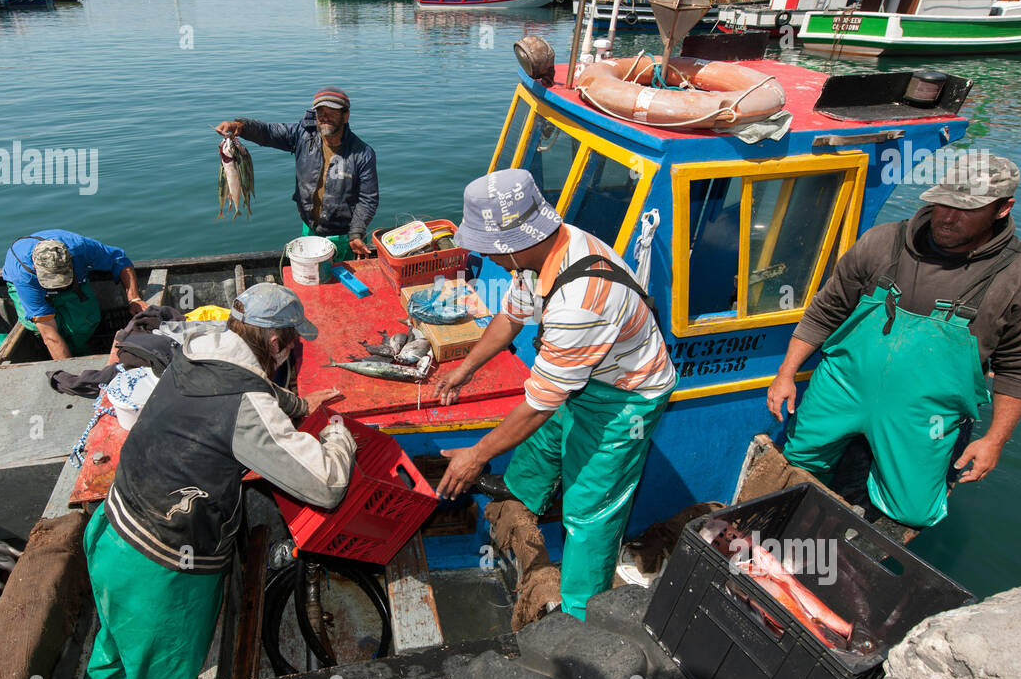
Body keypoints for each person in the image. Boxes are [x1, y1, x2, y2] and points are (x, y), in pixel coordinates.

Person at [77, 284, 352, 679]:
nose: (290, 353)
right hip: (162, 571)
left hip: (111, 533)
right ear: (278, 344)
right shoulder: (245, 401)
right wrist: (336, 431)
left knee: (112, 659)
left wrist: (298, 404)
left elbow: (243, 386)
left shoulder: (197, 347)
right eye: (292, 344)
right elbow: (327, 486)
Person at [433, 169, 677, 621]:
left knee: (590, 509)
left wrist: (475, 455)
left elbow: (540, 403)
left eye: (487, 244)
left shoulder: (579, 302)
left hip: (625, 397)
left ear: (511, 244)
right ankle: (524, 499)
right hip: (581, 376)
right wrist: (464, 369)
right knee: (539, 447)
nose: (483, 253)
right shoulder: (540, 254)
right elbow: (512, 316)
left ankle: (582, 615)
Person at [767, 154, 1021, 528]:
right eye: (942, 204)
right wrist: (786, 372)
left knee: (912, 512)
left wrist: (994, 440)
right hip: (844, 386)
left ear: (1003, 209)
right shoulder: (883, 242)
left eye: (966, 210)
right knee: (798, 463)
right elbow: (826, 310)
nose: (948, 218)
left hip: (925, 408)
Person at [215, 86, 379, 261]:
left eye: (332, 112)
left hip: (345, 237)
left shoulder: (362, 153)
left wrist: (356, 232)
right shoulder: (302, 136)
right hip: (310, 230)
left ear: (345, 116)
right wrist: (240, 126)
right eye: (321, 112)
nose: (325, 117)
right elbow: (268, 132)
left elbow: (368, 199)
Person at [2, 229, 144, 359]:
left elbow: (119, 260)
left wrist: (134, 298)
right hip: (30, 283)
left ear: (71, 259)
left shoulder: (81, 248)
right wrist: (70, 375)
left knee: (85, 320)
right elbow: (49, 336)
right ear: (34, 266)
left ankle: (81, 348)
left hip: (74, 282)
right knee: (38, 327)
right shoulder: (23, 276)